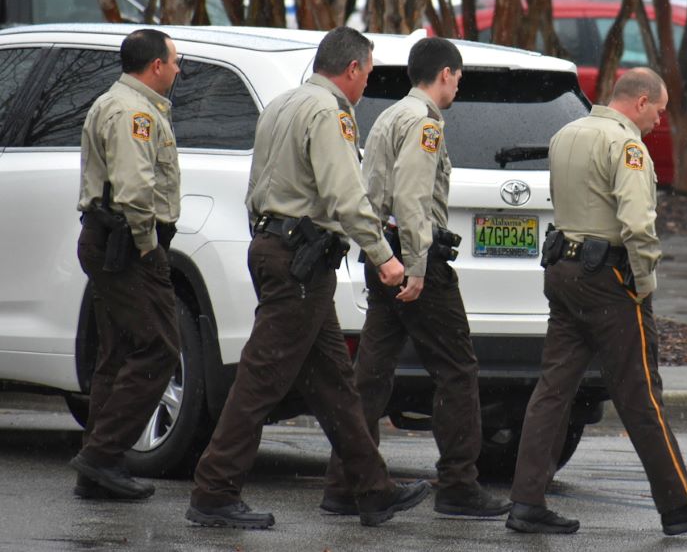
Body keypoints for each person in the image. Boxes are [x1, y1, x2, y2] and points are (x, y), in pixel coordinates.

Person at [186, 27, 429, 529]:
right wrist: (383, 255)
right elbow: (345, 194)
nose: (365, 84)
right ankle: (214, 490)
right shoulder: (330, 112)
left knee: (334, 385)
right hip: (299, 260)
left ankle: (371, 488)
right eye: (367, 72)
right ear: (354, 69)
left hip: (281, 251)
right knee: (260, 378)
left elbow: (258, 186)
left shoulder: (282, 104)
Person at [507, 68, 687, 536]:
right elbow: (636, 223)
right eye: (658, 108)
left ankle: (526, 502)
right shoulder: (626, 145)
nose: (659, 118)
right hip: (609, 278)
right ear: (639, 101)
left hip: (564, 270)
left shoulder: (566, 134)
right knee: (640, 393)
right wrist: (645, 282)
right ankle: (678, 504)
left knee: (553, 390)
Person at [321, 37, 511, 518]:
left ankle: (346, 483)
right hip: (413, 260)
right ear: (445, 74)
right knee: (457, 370)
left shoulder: (389, 115)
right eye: (459, 76)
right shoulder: (425, 122)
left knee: (372, 374)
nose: (458, 85)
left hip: (383, 254)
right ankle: (458, 486)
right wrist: (420, 266)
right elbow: (412, 199)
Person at [71, 29, 182, 501]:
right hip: (127, 243)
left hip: (111, 239)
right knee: (159, 348)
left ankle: (100, 466)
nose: (179, 69)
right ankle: (101, 456)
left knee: (117, 353)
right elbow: (135, 190)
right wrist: (148, 247)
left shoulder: (122, 103)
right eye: (176, 61)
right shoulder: (134, 112)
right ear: (155, 65)